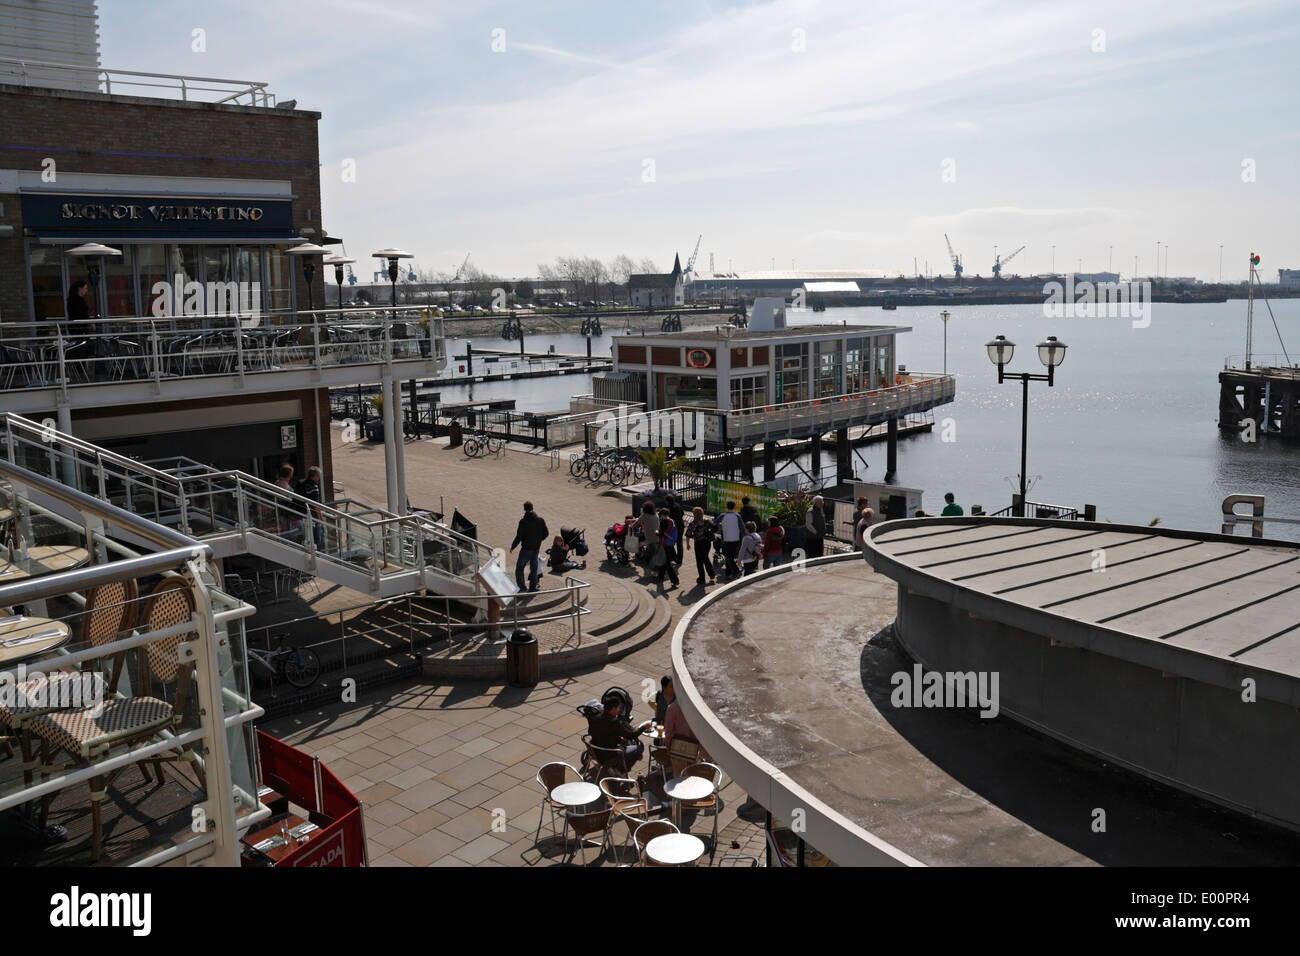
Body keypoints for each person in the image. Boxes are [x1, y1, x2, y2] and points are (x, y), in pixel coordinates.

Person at [589, 694, 650, 769]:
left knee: (623, 742)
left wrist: (618, 738)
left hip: (595, 751)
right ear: (613, 708)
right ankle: (622, 770)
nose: (619, 710)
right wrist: (644, 727)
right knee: (640, 746)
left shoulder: (595, 718)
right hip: (609, 754)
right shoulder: (614, 722)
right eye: (618, 708)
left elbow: (593, 732)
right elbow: (632, 735)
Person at [509, 500, 549, 592]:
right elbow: (546, 533)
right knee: (534, 568)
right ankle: (532, 587)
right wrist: (539, 540)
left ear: (524, 509)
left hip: (526, 549)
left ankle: (522, 587)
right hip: (536, 549)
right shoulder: (540, 520)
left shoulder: (523, 522)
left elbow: (519, 536)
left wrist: (513, 546)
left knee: (519, 568)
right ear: (532, 508)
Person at [296, 464, 324, 550]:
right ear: (315, 476)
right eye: (318, 476)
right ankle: (317, 554)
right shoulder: (313, 487)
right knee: (317, 538)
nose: (319, 478)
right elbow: (315, 505)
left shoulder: (300, 483)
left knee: (306, 537)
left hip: (300, 514)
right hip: (311, 516)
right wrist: (321, 519)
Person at [686, 506, 715, 585]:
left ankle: (702, 578)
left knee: (699, 561)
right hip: (707, 543)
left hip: (698, 543)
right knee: (705, 558)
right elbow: (714, 528)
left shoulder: (693, 524)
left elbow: (688, 534)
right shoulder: (707, 521)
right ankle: (712, 576)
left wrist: (688, 544)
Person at [652, 507, 679, 588]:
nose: (660, 517)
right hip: (669, 544)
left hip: (665, 544)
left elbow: (662, 533)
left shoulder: (665, 522)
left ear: (663, 515)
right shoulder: (671, 521)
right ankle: (660, 578)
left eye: (661, 515)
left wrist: (656, 532)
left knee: (667, 564)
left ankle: (675, 581)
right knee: (663, 562)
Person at [718, 500, 744, 578]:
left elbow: (715, 523)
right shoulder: (737, 516)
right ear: (734, 507)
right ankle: (728, 573)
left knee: (728, 557)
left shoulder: (722, 515)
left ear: (727, 506)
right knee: (730, 556)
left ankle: (735, 572)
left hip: (726, 539)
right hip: (736, 539)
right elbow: (742, 528)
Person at [665, 493, 685, 566]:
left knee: (670, 541)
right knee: (679, 543)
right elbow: (682, 513)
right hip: (681, 525)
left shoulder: (669, 507)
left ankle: (673, 557)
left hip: (674, 527)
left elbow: (668, 518)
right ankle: (679, 559)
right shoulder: (677, 505)